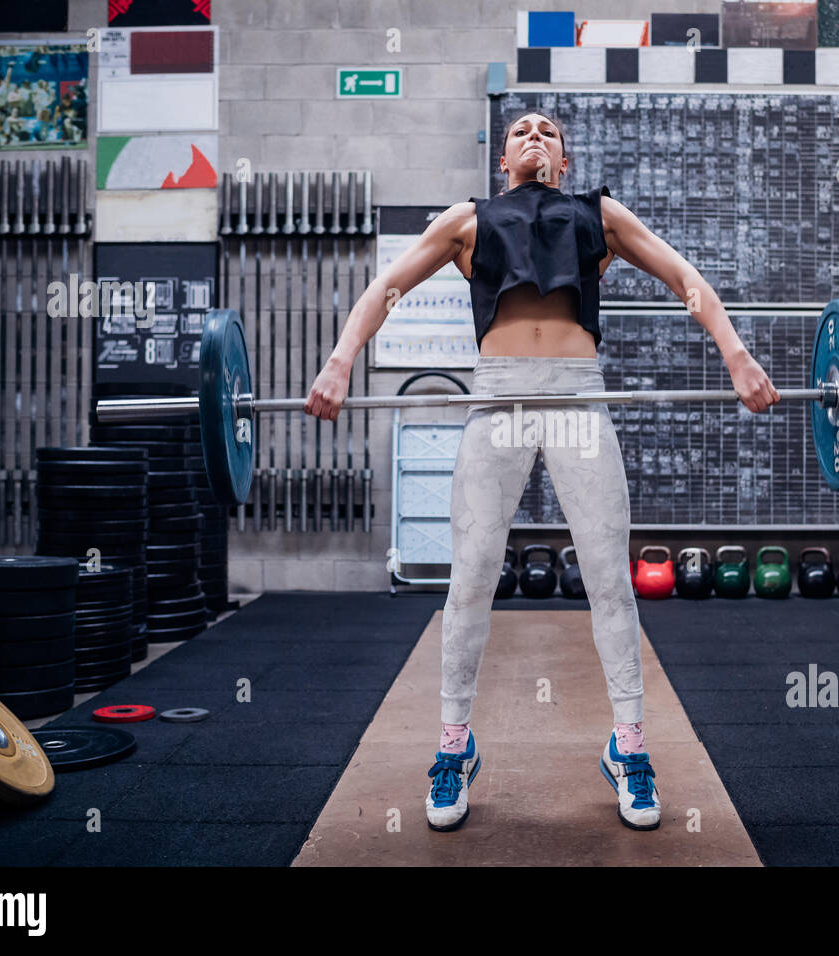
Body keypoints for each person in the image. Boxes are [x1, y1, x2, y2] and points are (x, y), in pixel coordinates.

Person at [304, 112, 778, 832]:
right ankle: (454, 748)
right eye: (521, 129)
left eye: (548, 130)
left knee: (608, 580)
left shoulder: (600, 216)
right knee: (468, 579)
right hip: (497, 398)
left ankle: (629, 749)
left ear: (564, 155)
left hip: (578, 397)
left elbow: (685, 276)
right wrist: (340, 360)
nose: (533, 134)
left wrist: (736, 353)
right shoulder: (467, 221)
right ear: (503, 158)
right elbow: (385, 289)